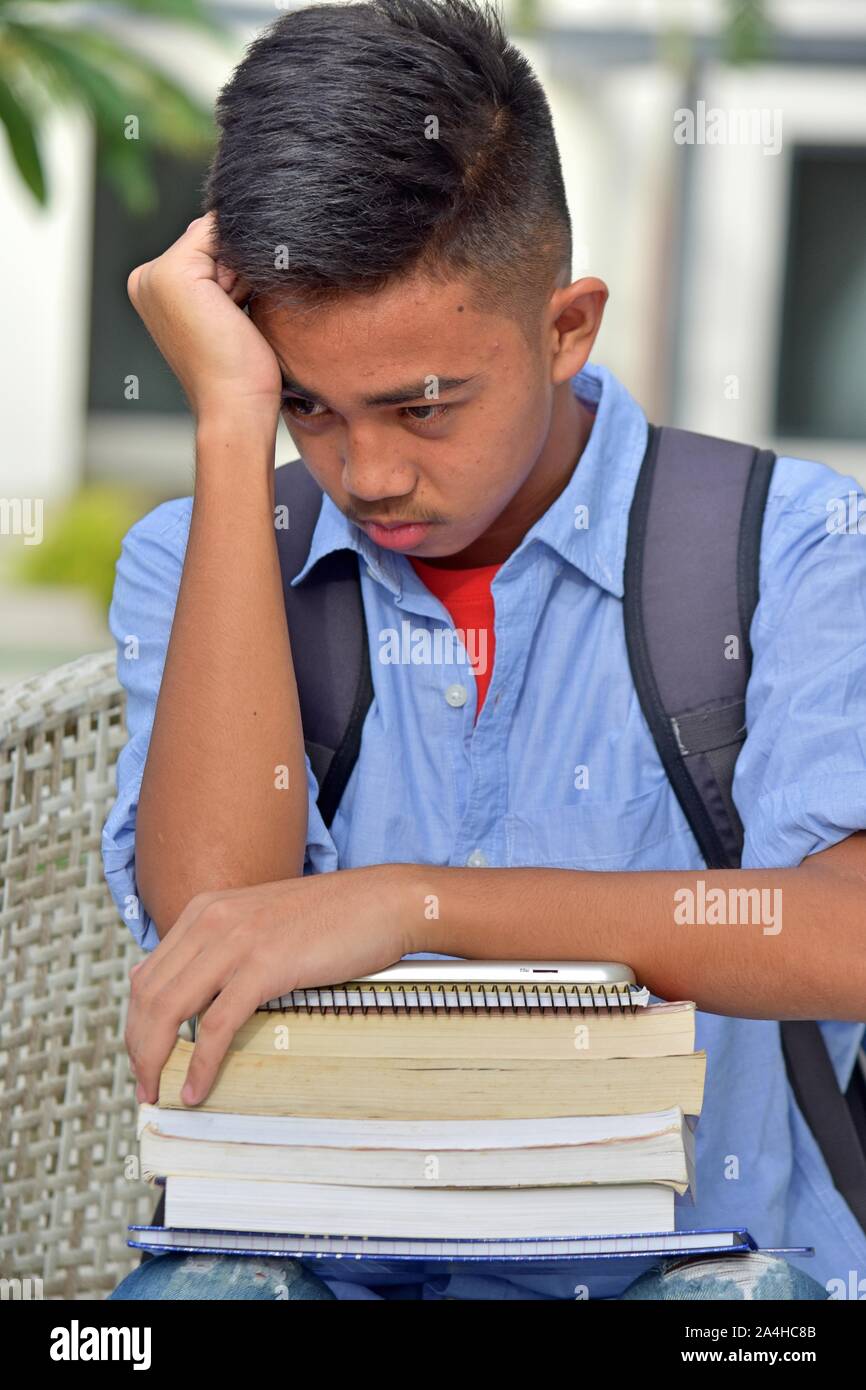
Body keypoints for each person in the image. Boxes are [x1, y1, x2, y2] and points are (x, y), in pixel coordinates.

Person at [103, 0, 865, 1301]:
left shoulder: (791, 545)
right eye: (307, 404)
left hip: (706, 1274)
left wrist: (413, 901)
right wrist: (234, 432)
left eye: (423, 404)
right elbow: (216, 912)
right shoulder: (209, 552)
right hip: (318, 1271)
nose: (367, 472)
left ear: (566, 327)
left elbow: (835, 932)